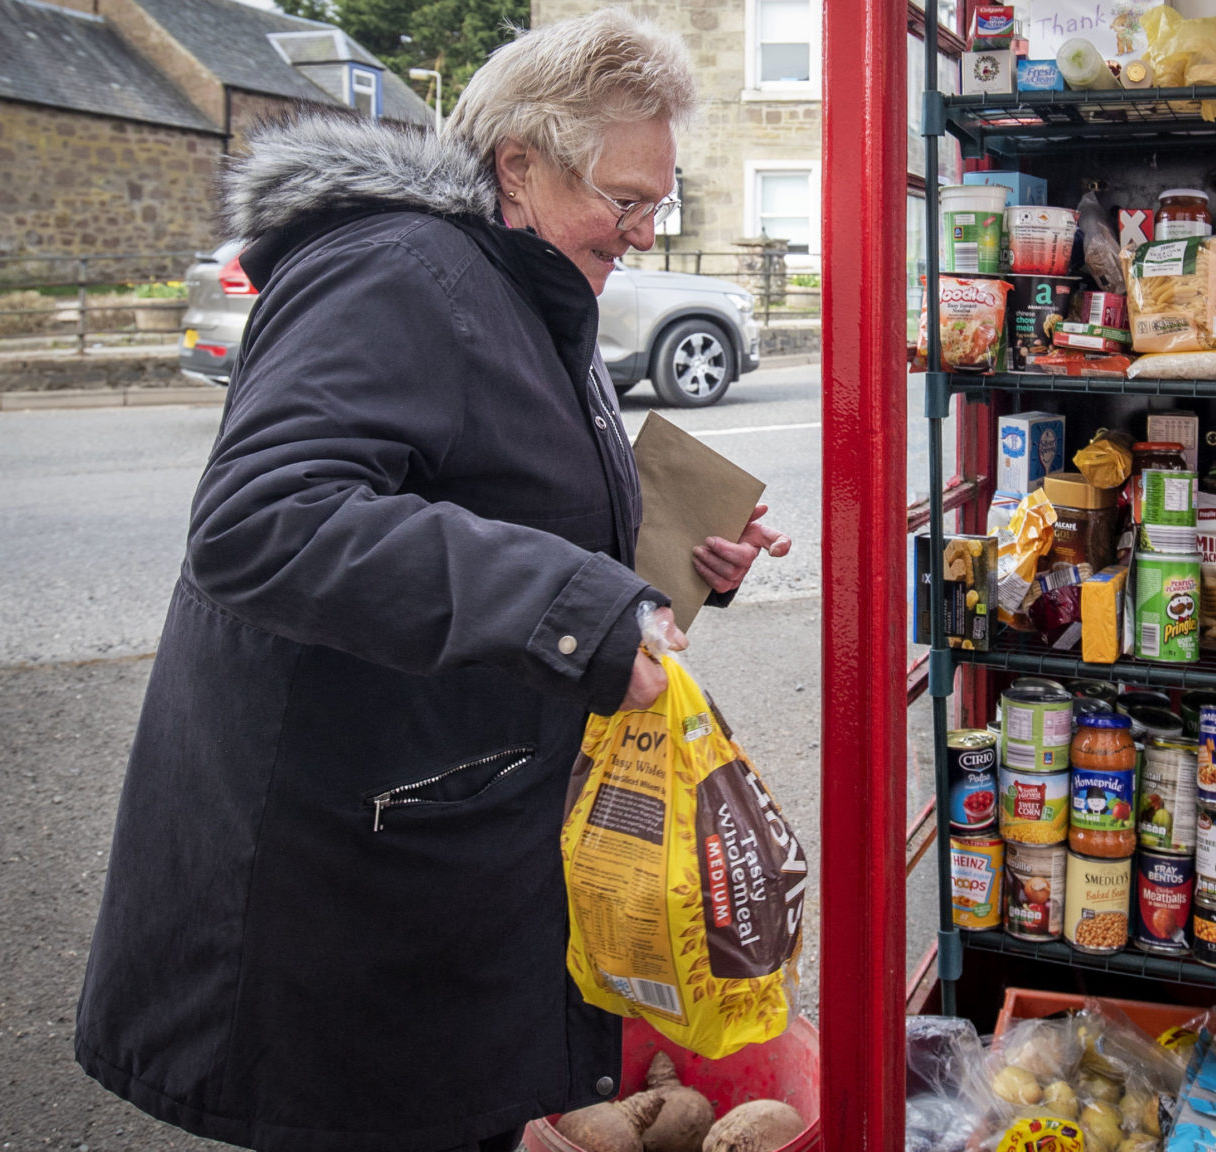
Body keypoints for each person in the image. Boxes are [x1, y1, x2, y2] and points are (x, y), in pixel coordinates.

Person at [73, 12, 786, 1152]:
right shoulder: (395, 272)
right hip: (341, 873)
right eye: (627, 200)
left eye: (662, 204)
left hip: (437, 833)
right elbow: (265, 521)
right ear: (519, 164)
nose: (646, 234)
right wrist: (577, 611)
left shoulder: (526, 281)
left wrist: (664, 568)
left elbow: (491, 502)